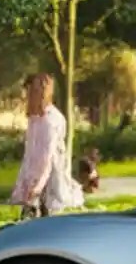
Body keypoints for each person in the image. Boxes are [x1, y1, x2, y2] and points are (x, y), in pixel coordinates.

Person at [10, 73, 83, 219]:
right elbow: (30, 155)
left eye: (33, 92)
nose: (29, 97)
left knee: (44, 226)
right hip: (34, 184)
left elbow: (47, 158)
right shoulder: (35, 119)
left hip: (48, 187)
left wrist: (36, 187)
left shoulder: (51, 120)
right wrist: (24, 182)